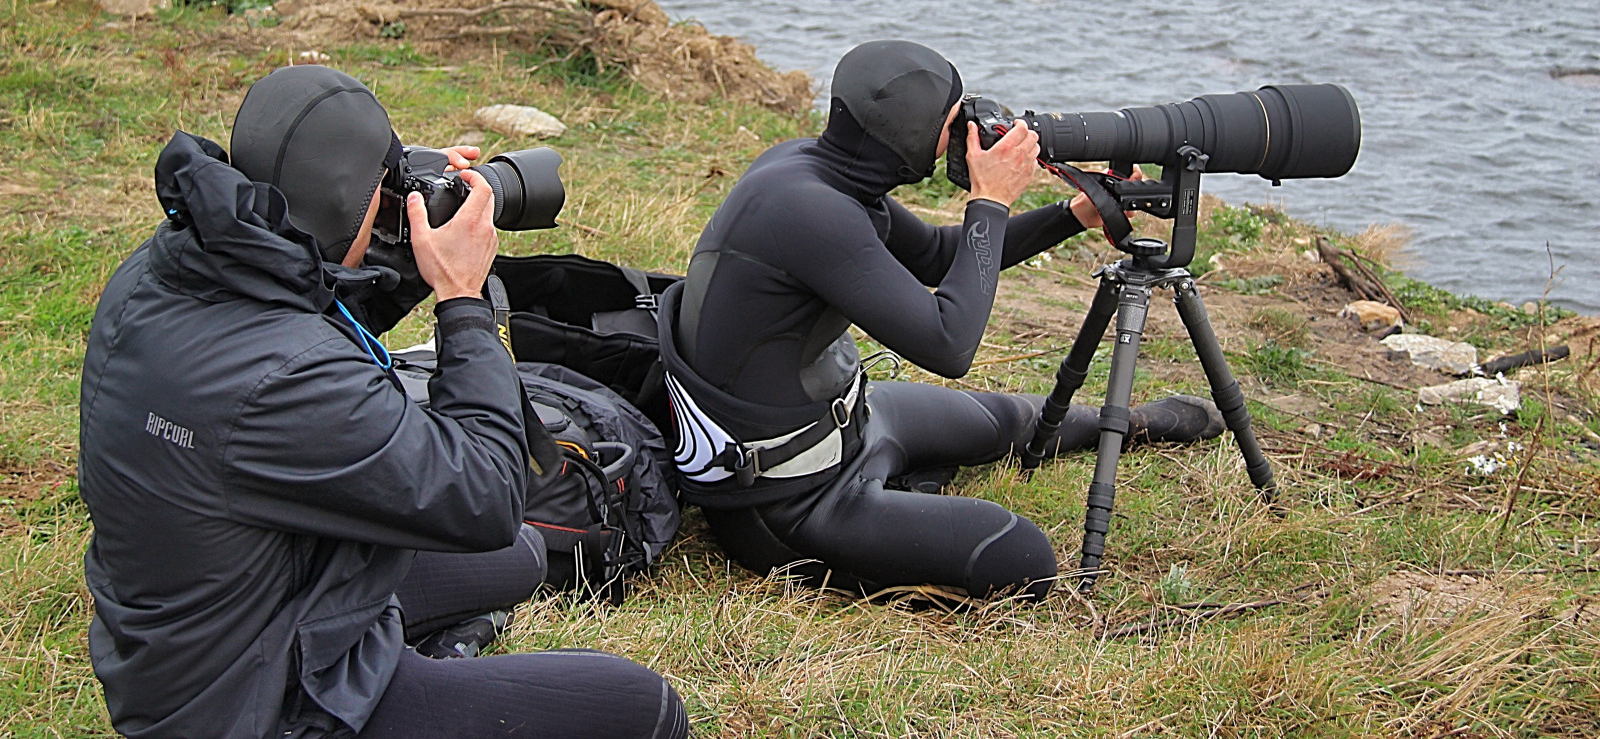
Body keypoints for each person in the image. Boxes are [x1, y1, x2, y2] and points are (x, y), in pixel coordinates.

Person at [78, 65, 688, 739]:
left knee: (519, 556)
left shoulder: (165, 269)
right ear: (347, 207)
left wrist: (405, 235)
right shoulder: (291, 377)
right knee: (644, 707)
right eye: (382, 190)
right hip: (260, 706)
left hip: (197, 641)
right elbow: (484, 495)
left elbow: (305, 297)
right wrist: (461, 300)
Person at [659, 40, 1223, 601]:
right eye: (952, 121)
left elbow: (932, 254)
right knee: (1021, 557)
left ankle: (1140, 424)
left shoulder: (815, 169)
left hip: (849, 423)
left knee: (1010, 419)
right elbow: (949, 345)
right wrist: (991, 201)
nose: (962, 135)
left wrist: (1076, 213)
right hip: (786, 499)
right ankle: (869, 546)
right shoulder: (808, 211)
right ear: (908, 131)